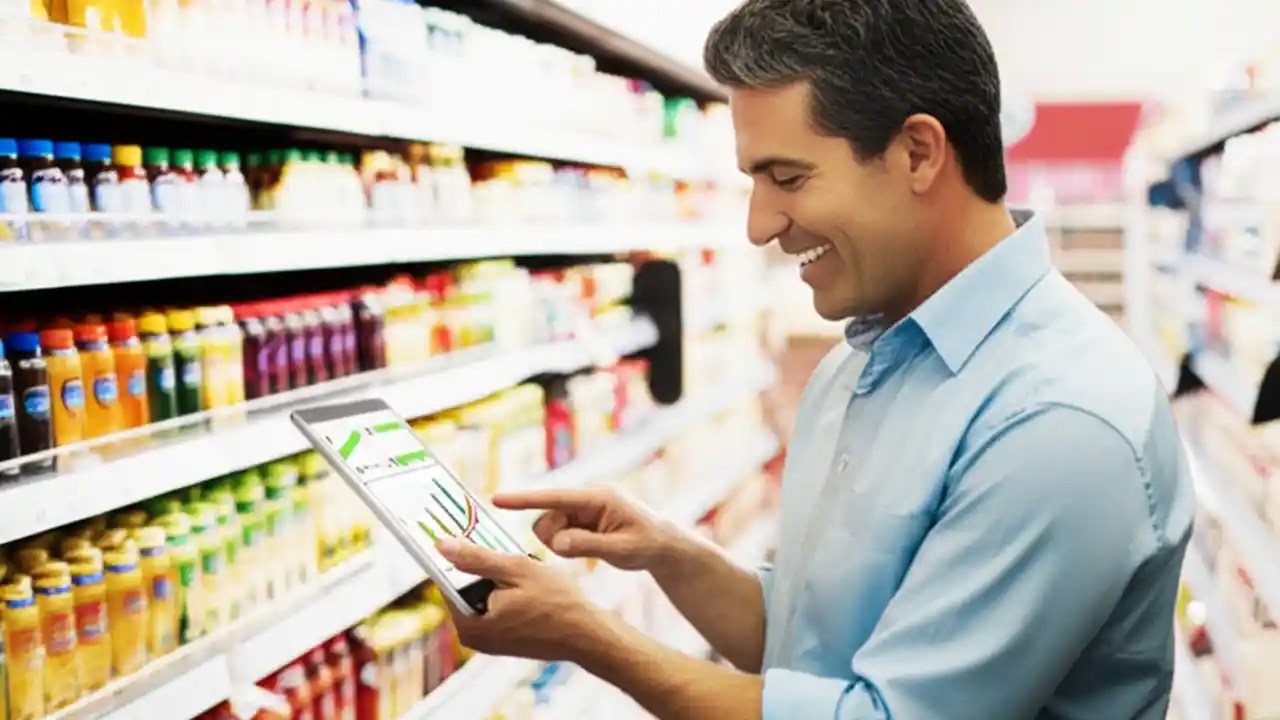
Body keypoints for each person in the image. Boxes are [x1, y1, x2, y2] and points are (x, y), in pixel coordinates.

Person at [435, 0, 1194, 718]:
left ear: (918, 153)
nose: (760, 225)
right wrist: (667, 553)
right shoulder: (858, 364)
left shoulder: (1059, 422)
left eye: (787, 177)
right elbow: (820, 642)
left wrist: (589, 637)